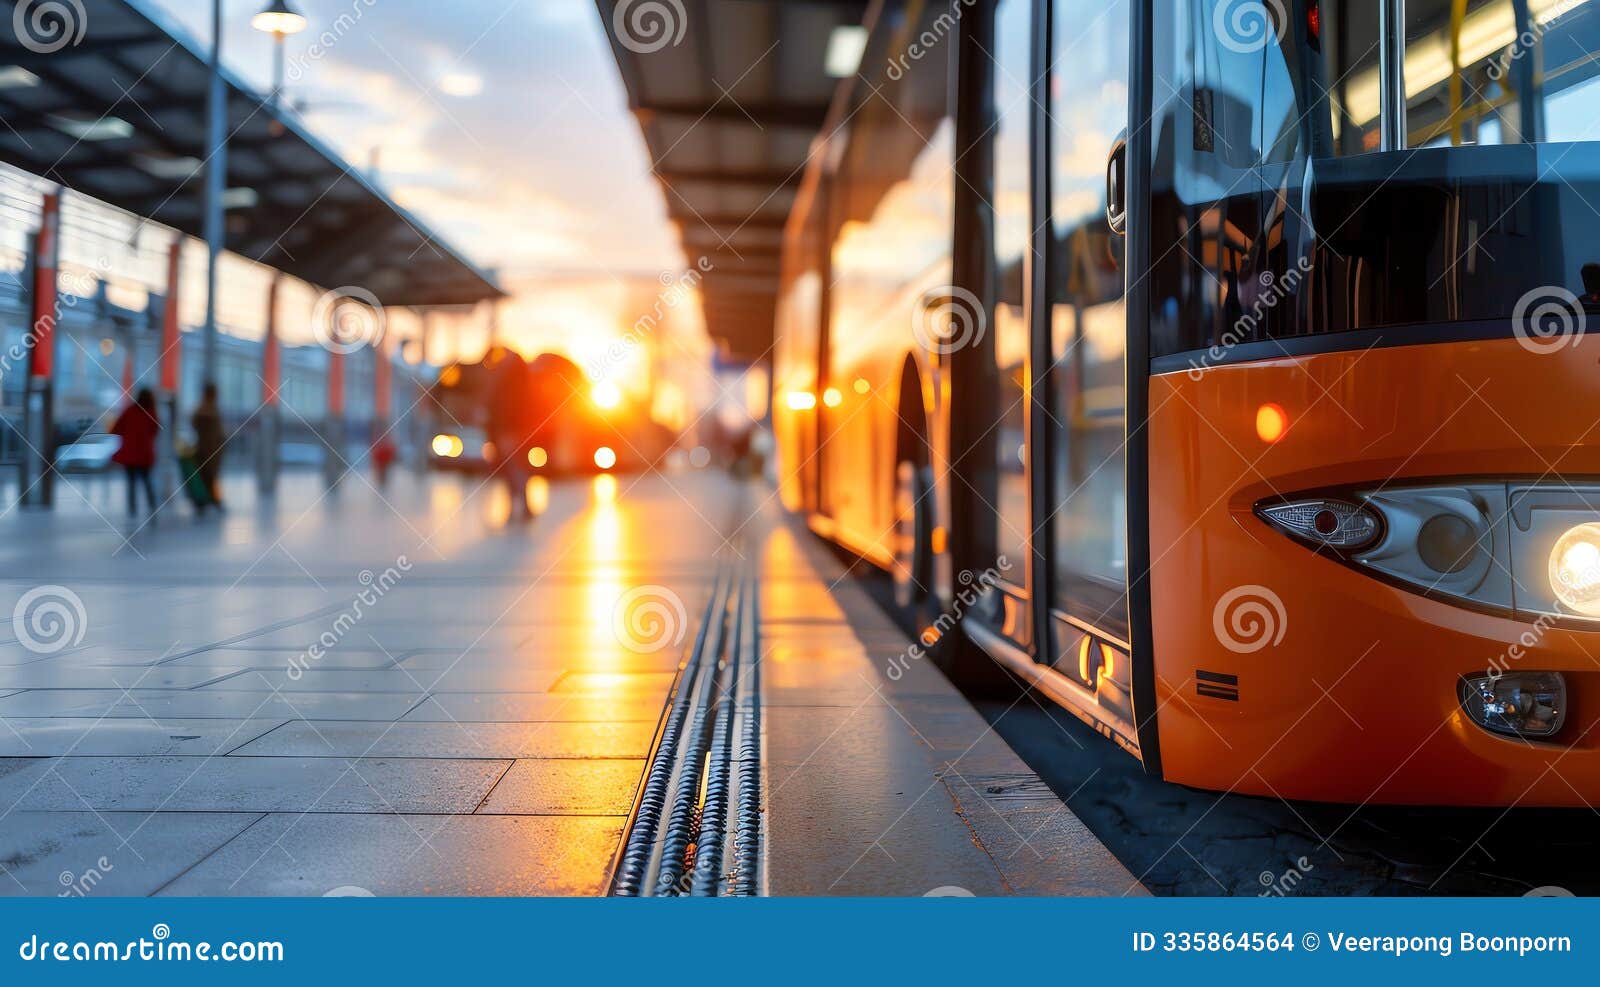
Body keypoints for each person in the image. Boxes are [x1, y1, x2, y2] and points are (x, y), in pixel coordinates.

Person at [110, 388, 160, 519]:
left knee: (131, 482)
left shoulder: (129, 411)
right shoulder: (151, 413)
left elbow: (116, 428)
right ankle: (152, 506)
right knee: (147, 481)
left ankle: (132, 509)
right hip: (145, 454)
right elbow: (155, 431)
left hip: (130, 454)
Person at [191, 382, 226, 512]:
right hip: (212, 449)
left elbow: (194, 425)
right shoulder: (212, 410)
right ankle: (212, 501)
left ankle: (205, 501)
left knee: (206, 476)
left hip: (203, 448)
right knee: (211, 477)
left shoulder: (200, 409)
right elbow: (219, 432)